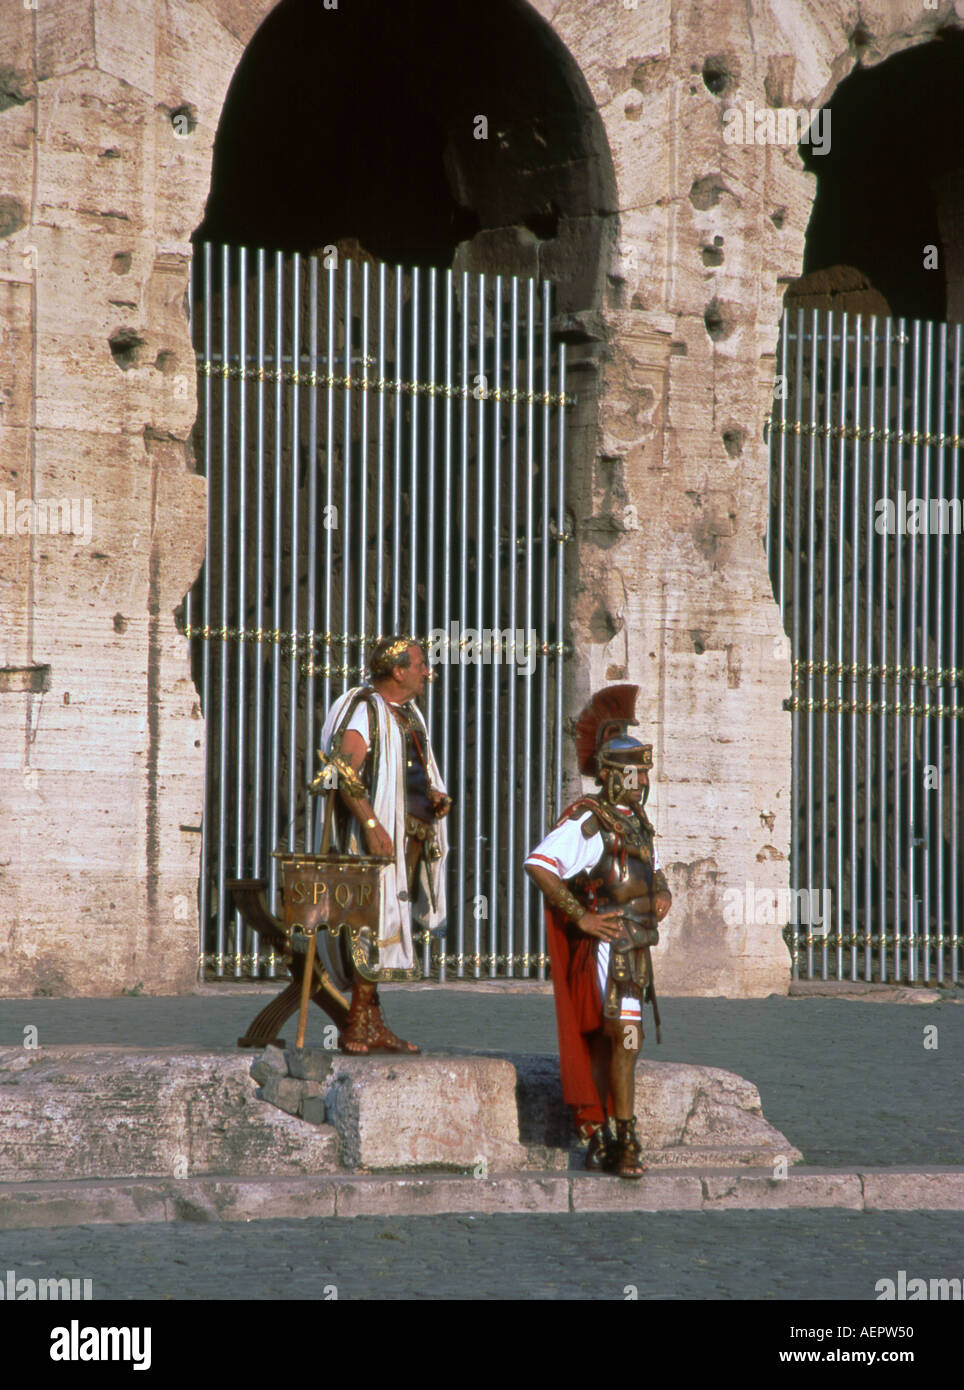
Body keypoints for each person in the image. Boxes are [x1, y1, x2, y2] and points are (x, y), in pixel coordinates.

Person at [524, 685, 672, 1178]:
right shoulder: (591, 821)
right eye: (639, 770)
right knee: (625, 1036)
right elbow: (540, 863)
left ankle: (610, 1130)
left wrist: (663, 890)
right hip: (613, 946)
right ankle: (623, 1139)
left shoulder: (636, 820)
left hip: (639, 944)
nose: (645, 779)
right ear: (616, 775)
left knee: (626, 1039)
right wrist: (580, 916)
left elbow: (647, 869)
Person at [314, 636, 450, 1054]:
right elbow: (341, 771)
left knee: (389, 922)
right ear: (398, 671)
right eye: (421, 664)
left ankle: (373, 1023)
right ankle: (357, 1024)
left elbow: (417, 766)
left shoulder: (408, 714)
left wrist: (433, 793)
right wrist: (371, 824)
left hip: (411, 835)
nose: (428, 671)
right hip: (376, 841)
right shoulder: (364, 712)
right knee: (366, 924)